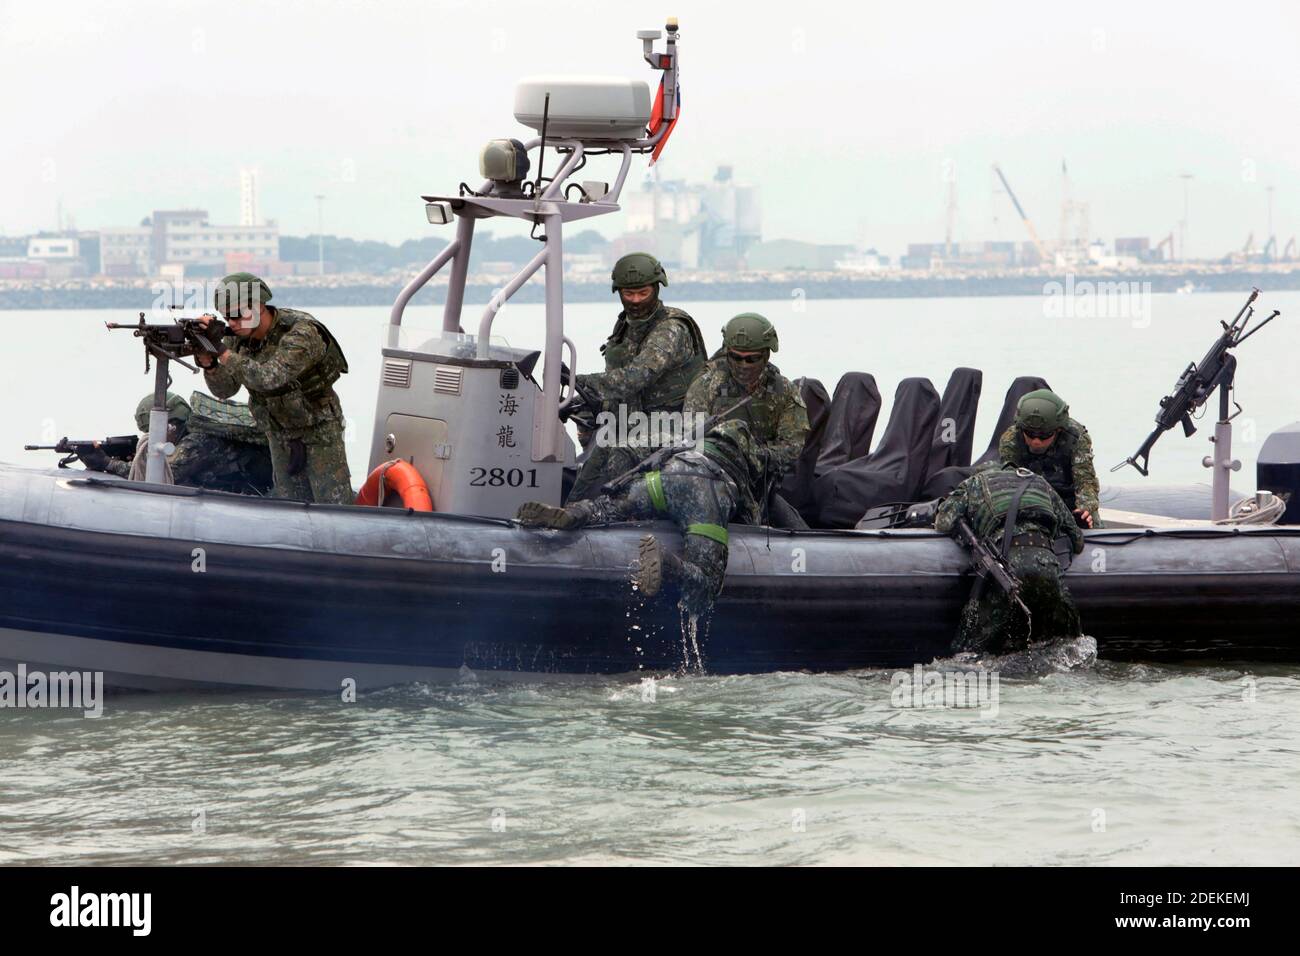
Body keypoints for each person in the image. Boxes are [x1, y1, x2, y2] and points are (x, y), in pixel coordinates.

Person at [517, 420, 769, 618]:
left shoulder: (691, 439)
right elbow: (750, 514)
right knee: (707, 582)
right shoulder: (746, 458)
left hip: (669, 474)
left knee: (606, 508)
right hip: (710, 489)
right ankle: (668, 563)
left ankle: (574, 513)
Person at [194, 272, 352, 504]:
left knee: (332, 505)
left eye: (238, 315)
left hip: (318, 430)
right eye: (227, 318)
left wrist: (222, 352)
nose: (232, 324)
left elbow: (270, 377)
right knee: (289, 505)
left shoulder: (302, 333)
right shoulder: (238, 336)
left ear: (259, 306)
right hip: (279, 433)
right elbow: (225, 390)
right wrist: (209, 364)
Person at [567, 252, 707, 501]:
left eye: (643, 293)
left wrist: (580, 380)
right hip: (627, 421)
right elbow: (618, 381)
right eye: (628, 294)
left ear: (657, 288)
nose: (635, 300)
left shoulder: (671, 328)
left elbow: (638, 376)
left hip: (670, 426)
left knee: (619, 477)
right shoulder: (627, 325)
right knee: (584, 485)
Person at [934, 462, 1086, 655]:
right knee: (1064, 646)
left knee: (970, 649)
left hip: (1006, 570)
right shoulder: (1040, 483)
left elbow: (944, 521)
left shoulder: (974, 483)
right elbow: (1078, 539)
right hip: (1048, 566)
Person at [681, 313, 810, 510]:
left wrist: (755, 455)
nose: (743, 366)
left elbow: (792, 447)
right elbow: (692, 437)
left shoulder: (783, 391)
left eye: (752, 359)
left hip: (763, 479)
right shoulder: (707, 385)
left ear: (766, 355)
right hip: (715, 475)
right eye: (735, 357)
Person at [997, 388, 1102, 528]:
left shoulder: (1076, 438)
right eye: (1030, 434)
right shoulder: (1011, 440)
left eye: (1043, 436)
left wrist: (1085, 508)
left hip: (1068, 499)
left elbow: (1085, 481)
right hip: (1030, 499)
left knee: (1089, 521)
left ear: (1058, 430)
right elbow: (1009, 480)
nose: (1036, 442)